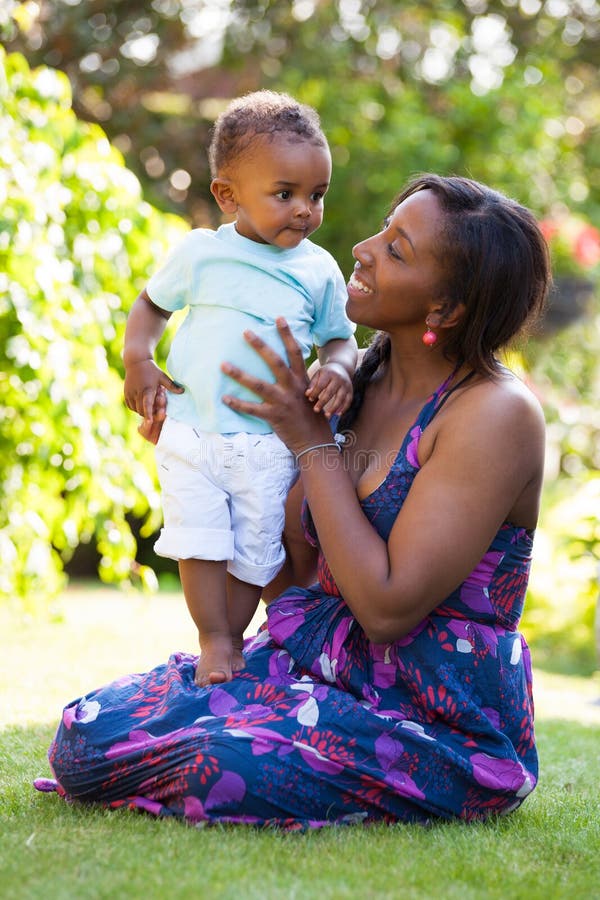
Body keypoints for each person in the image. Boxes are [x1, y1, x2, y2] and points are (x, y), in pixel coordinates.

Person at [35, 174, 550, 827]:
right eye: (383, 229)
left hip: (434, 717)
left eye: (396, 249)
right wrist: (210, 447)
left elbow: (388, 609)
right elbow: (299, 580)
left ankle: (236, 756)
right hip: (315, 671)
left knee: (220, 759)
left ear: (444, 310)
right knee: (86, 732)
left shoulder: (494, 415)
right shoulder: (357, 379)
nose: (362, 248)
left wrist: (311, 444)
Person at [122, 91, 357, 687]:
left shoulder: (318, 270)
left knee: (255, 546)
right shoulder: (201, 252)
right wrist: (138, 359)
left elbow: (339, 339)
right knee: (198, 541)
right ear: (228, 195)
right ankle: (215, 642)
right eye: (286, 194)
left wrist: (338, 368)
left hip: (267, 443)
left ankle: (241, 636)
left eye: (317, 195)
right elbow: (151, 305)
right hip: (192, 429)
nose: (305, 209)